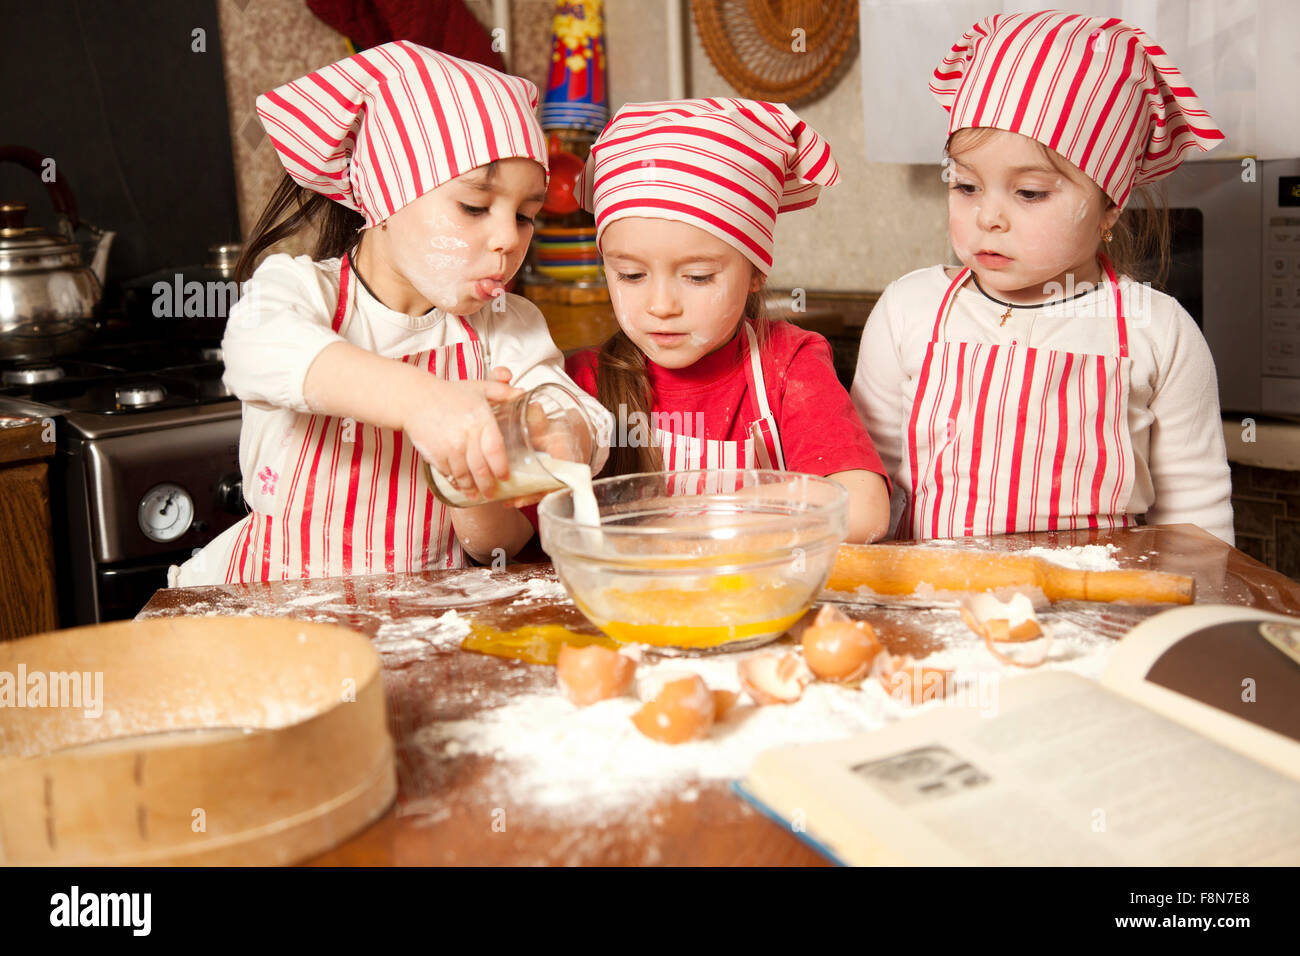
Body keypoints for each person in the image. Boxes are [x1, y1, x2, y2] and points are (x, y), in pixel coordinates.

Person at [172, 41, 611, 586]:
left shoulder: (506, 325)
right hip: (278, 614)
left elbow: (497, 541)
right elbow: (255, 352)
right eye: (474, 206)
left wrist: (551, 442)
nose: (506, 238)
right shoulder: (301, 293)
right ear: (385, 195)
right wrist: (425, 404)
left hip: (428, 624)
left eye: (525, 216)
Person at [852, 11, 1234, 543]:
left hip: (1103, 617)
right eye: (965, 186)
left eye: (1029, 193)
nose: (989, 217)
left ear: (1109, 208)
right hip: (933, 606)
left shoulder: (1158, 331)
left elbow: (1196, 517)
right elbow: (870, 489)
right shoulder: (907, 310)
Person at [565, 98, 892, 543]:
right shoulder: (583, 383)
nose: (661, 305)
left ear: (756, 270)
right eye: (632, 275)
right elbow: (506, 538)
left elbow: (864, 511)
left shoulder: (786, 366)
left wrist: (706, 529)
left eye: (698, 276)